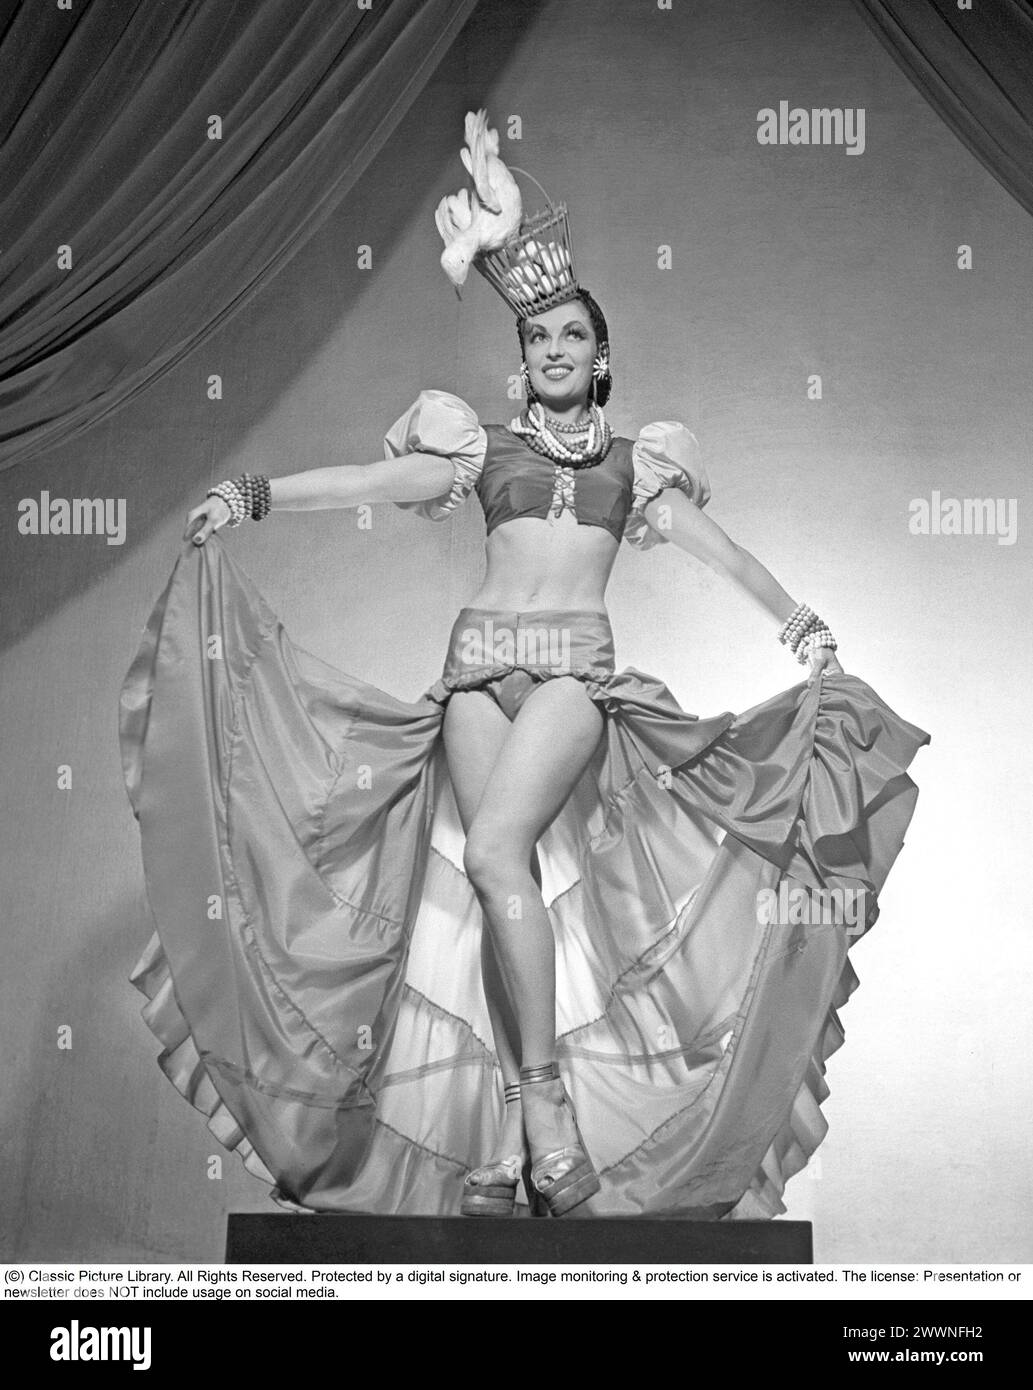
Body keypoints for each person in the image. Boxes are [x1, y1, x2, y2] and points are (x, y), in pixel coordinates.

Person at [121, 202, 928, 1224]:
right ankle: (511, 1133)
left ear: (602, 360)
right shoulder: (480, 449)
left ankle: (542, 1107)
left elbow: (722, 556)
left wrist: (800, 624)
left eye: (571, 336)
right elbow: (371, 479)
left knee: (498, 855)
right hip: (473, 675)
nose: (552, 348)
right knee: (499, 887)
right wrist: (250, 495)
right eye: (537, 336)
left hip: (569, 682)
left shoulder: (637, 464)